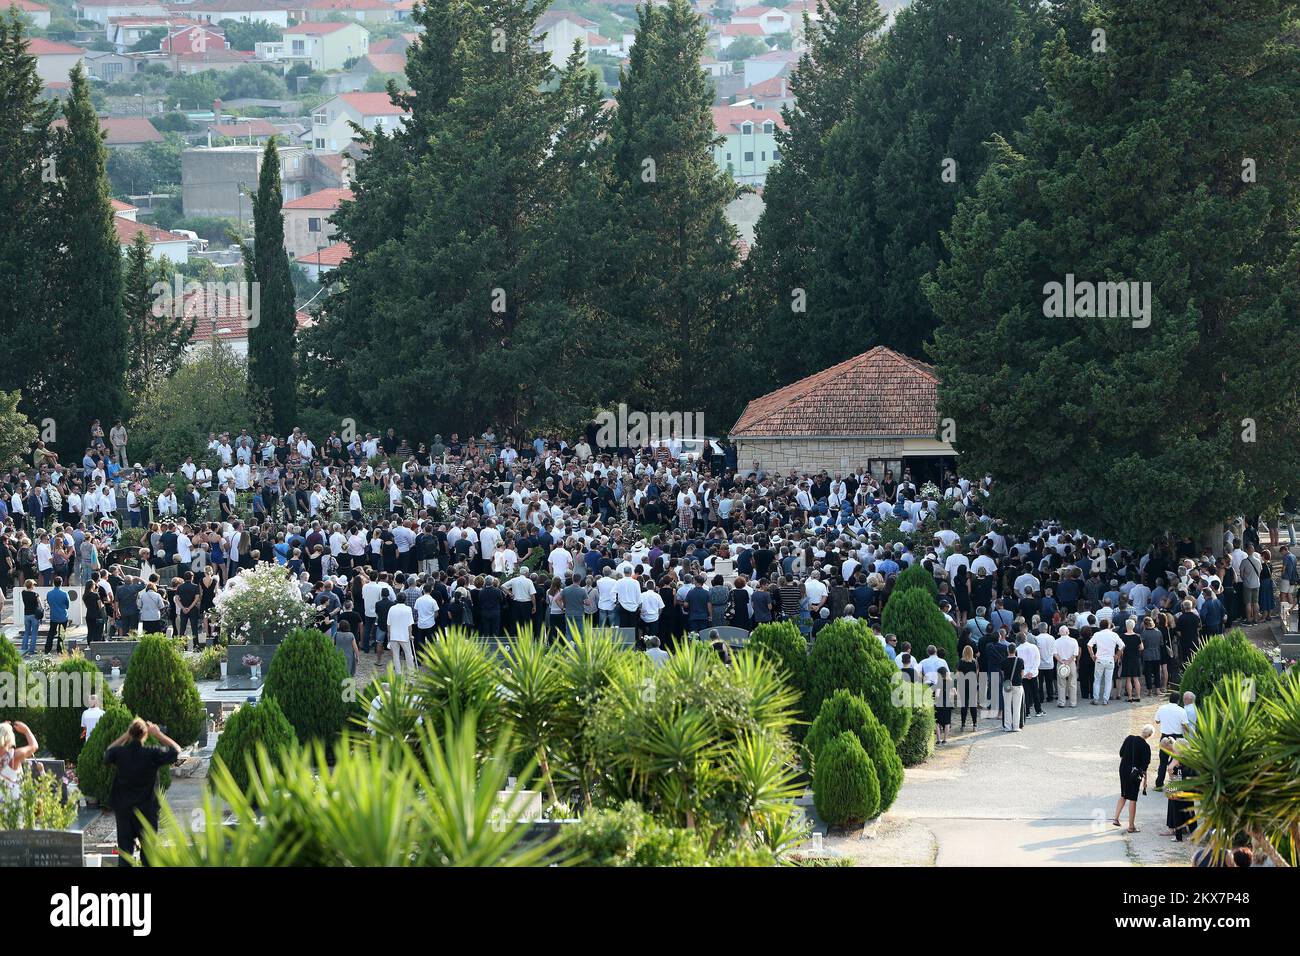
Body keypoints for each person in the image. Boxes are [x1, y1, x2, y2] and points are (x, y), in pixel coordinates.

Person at [103, 718, 180, 866]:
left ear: (130, 734)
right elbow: (176, 751)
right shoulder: (151, 753)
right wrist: (158, 735)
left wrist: (125, 736)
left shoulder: (120, 753)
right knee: (149, 854)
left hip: (125, 810)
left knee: (125, 853)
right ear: (145, 735)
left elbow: (108, 752)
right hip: (147, 810)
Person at [1112, 724, 1154, 834]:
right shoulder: (1146, 747)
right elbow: (1145, 765)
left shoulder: (1129, 738)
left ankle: (1116, 818)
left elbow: (1121, 753)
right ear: (1149, 735)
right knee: (1133, 798)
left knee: (1123, 793)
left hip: (1123, 769)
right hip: (1135, 773)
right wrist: (1145, 780)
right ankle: (1131, 826)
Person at [1153, 691, 1188, 789]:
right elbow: (1185, 725)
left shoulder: (1162, 708)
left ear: (1169, 699)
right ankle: (1175, 784)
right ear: (1178, 700)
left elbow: (1157, 720)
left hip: (1164, 737)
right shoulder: (1181, 710)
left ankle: (1159, 783)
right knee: (1177, 762)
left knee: (1163, 762)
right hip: (1178, 737)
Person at [0, 720, 39, 802]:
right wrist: (26, 730)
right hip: (13, 806)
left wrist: (3, 728)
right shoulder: (14, 756)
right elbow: (34, 746)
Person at [1087, 622, 1122, 705]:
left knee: (1097, 680)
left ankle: (1095, 699)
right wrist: (1117, 655)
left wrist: (1092, 655)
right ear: (1109, 626)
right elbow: (1122, 645)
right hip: (1110, 659)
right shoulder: (1114, 635)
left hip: (1099, 659)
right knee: (1108, 680)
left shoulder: (1097, 634)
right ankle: (1105, 699)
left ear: (1100, 626)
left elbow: (1089, 645)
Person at [387, 593, 416, 674]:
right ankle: (411, 672)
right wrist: (410, 635)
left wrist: (389, 636)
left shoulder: (392, 608)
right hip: (404, 635)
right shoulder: (408, 609)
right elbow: (410, 624)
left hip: (394, 635)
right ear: (405, 599)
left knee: (395, 655)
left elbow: (388, 624)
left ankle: (398, 672)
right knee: (409, 654)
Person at [1054, 625, 1080, 708]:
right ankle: (1073, 703)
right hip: (1071, 663)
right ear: (1067, 632)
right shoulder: (1073, 641)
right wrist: (1068, 661)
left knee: (1061, 683)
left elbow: (1055, 653)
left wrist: (1062, 661)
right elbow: (1075, 654)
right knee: (1072, 683)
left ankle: (1062, 702)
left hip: (1060, 663)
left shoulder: (1056, 641)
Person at [933, 666, 954, 745]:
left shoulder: (939, 683)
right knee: (947, 722)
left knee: (937, 722)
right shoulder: (950, 682)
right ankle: (945, 739)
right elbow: (953, 693)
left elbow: (937, 695)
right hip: (948, 704)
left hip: (939, 704)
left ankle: (938, 740)